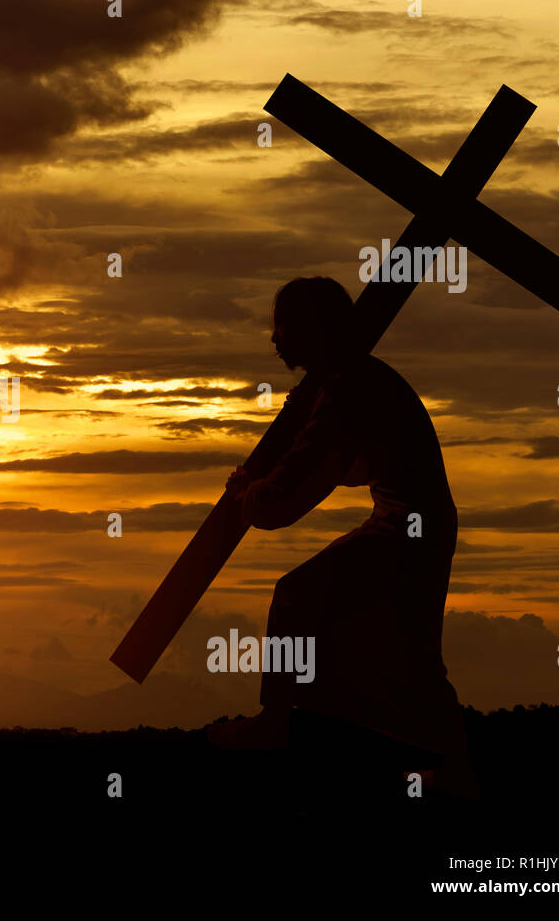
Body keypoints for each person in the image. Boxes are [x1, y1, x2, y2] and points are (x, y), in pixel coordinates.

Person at [206, 277, 473, 792]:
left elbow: (292, 491)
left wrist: (247, 493)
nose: (274, 338)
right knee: (414, 651)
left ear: (312, 328)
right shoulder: (358, 381)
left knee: (297, 595)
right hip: (420, 524)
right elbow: (340, 462)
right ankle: (455, 771)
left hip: (405, 527)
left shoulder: (347, 387)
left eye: (282, 325)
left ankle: (277, 723)